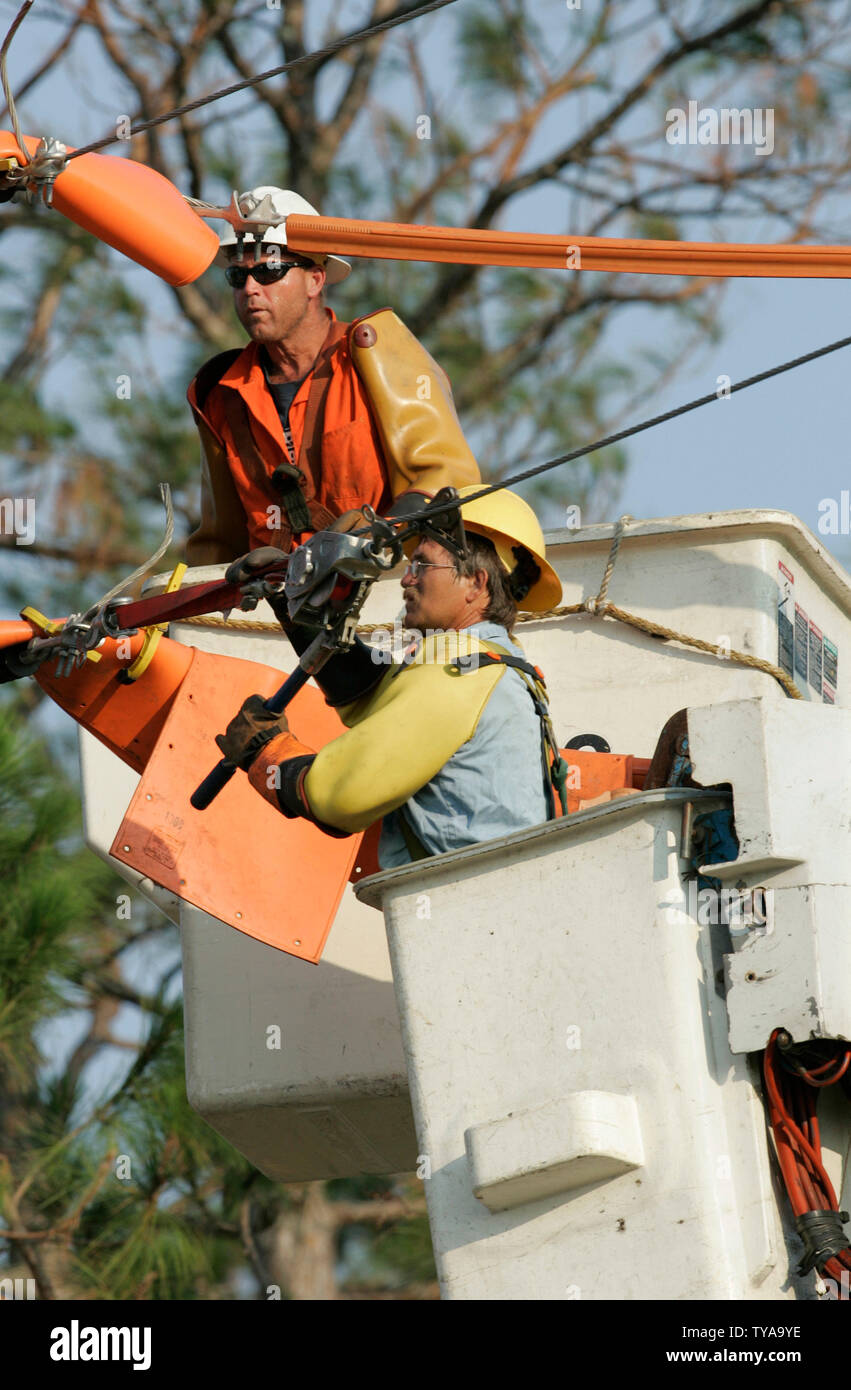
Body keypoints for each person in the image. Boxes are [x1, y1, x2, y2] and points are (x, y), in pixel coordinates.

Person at [215, 487, 566, 868]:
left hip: (465, 908)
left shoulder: (462, 669)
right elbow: (372, 693)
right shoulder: (495, 665)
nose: (406, 580)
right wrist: (289, 597)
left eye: (422, 566)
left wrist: (265, 752)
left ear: (476, 584)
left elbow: (342, 795)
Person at [185, 186, 480, 565]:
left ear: (315, 279)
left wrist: (374, 538)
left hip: (389, 592)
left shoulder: (374, 355)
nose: (251, 289)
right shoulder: (221, 394)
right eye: (237, 277)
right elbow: (219, 543)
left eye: (268, 271)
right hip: (272, 611)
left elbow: (447, 477)